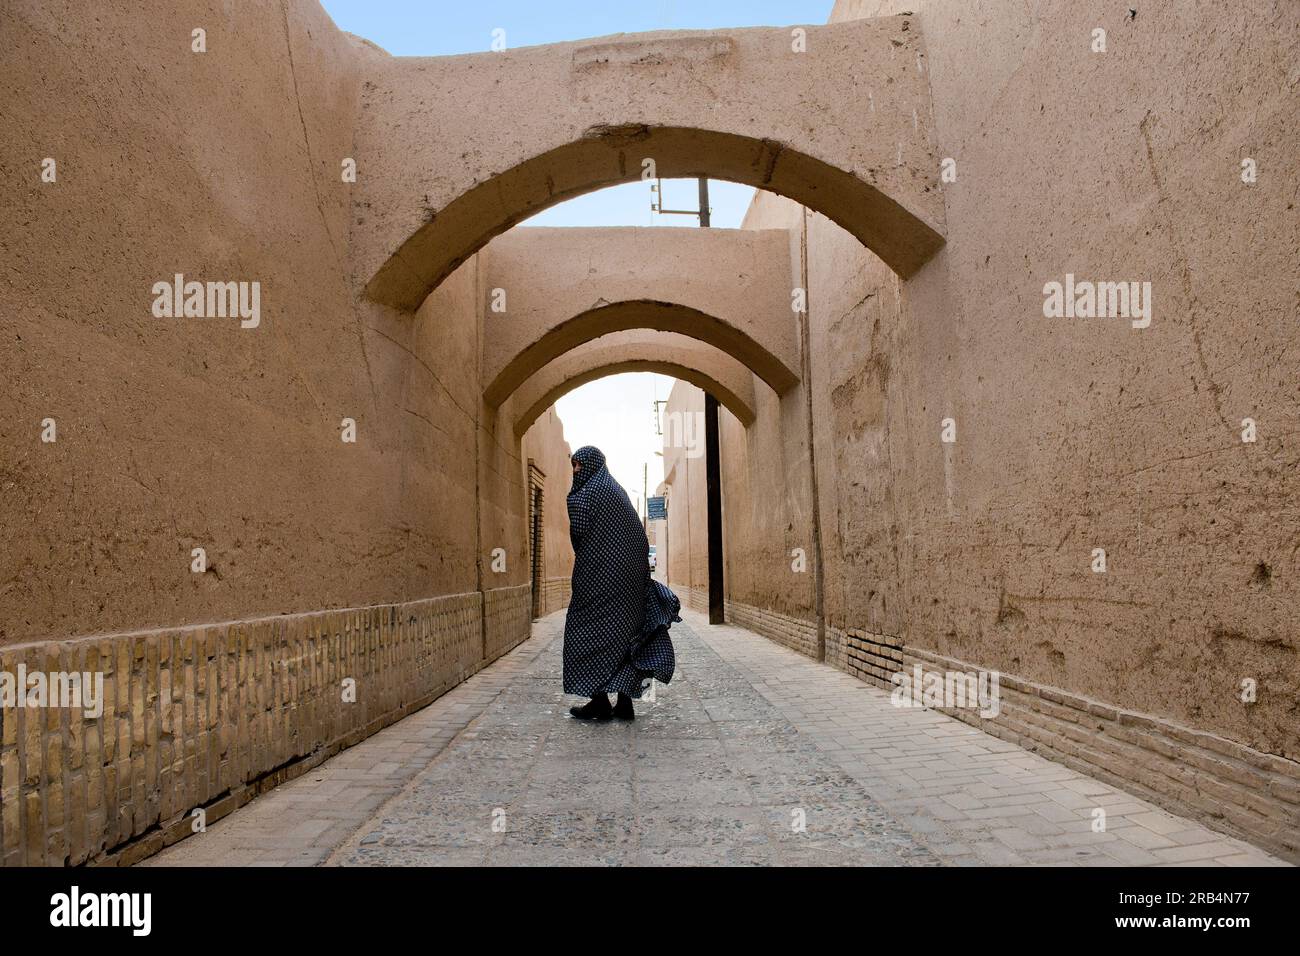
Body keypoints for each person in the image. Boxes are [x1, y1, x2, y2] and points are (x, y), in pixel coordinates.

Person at [563, 445, 678, 721]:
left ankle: (600, 700)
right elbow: (637, 535)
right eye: (573, 466)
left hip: (598, 582)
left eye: (578, 465)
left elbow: (580, 539)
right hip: (631, 582)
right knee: (627, 638)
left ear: (590, 465)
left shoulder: (584, 495)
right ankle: (625, 704)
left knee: (584, 635)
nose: (576, 471)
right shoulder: (617, 491)